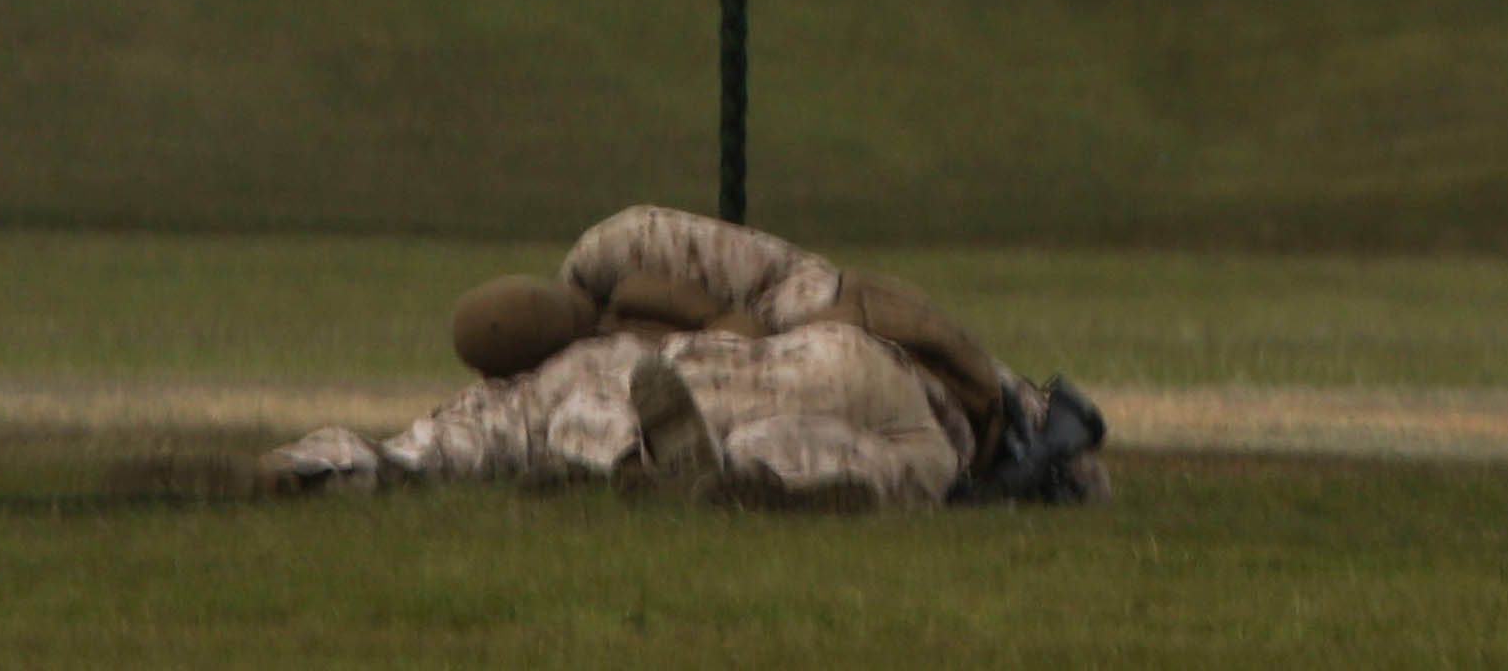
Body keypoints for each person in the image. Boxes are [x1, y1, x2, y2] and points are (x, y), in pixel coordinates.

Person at [264, 205, 1109, 511]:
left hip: (658, 384)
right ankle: (730, 472)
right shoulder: (636, 260)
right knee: (885, 465)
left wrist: (342, 459)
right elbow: (796, 288)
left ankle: (338, 466)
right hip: (848, 372)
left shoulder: (555, 369)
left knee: (479, 438)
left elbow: (429, 449)